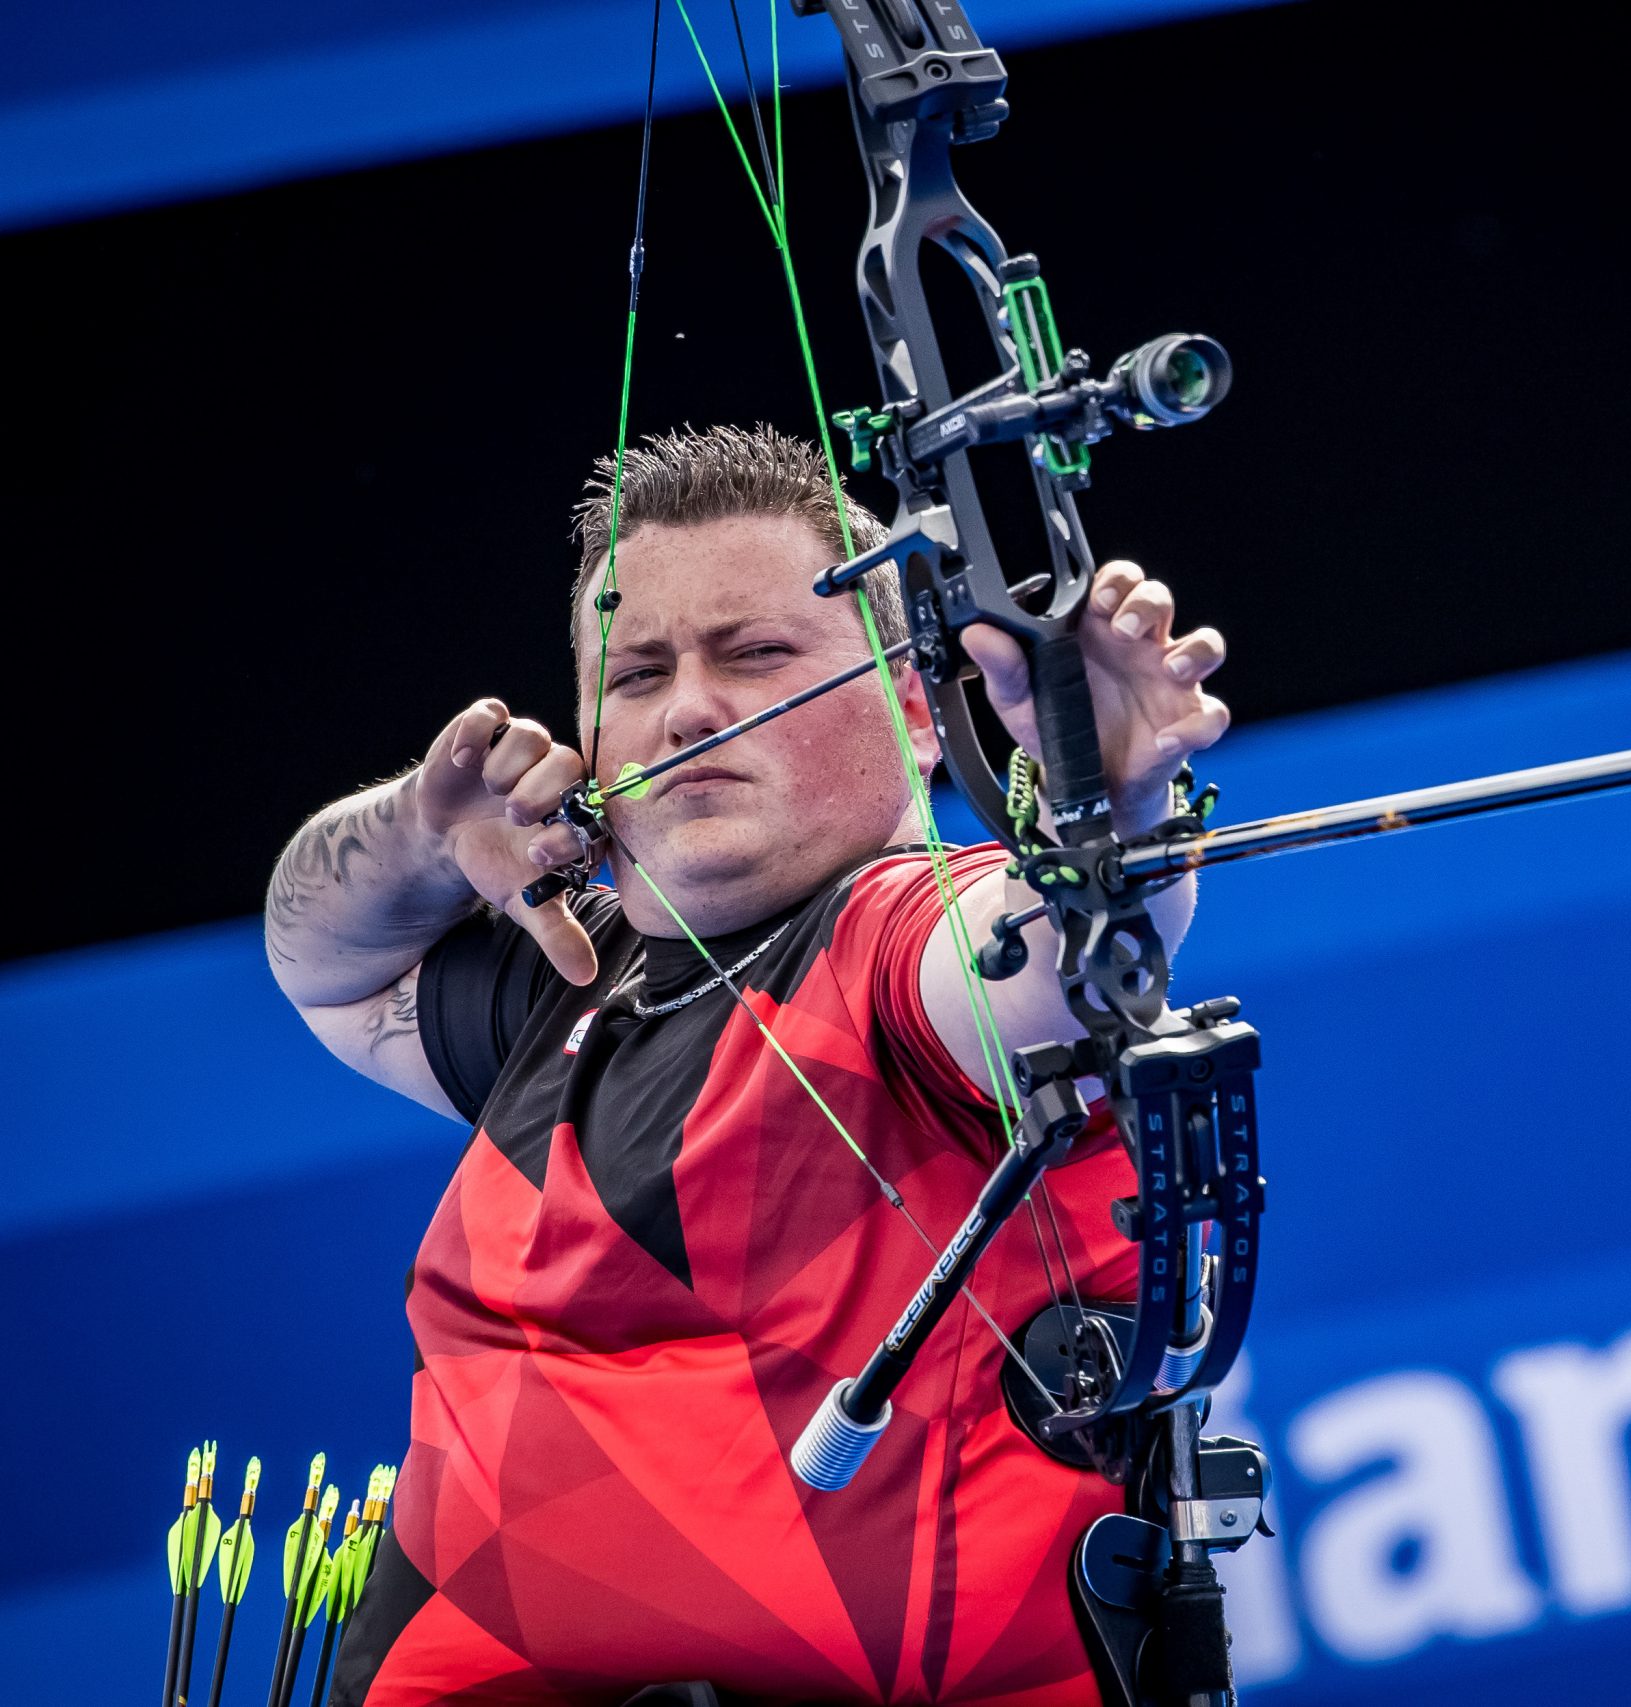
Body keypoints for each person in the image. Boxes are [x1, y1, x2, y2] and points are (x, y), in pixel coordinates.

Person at [263, 423, 1231, 1706]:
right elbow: (319, 961)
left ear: (914, 710)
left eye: (757, 653)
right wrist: (427, 829)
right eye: (639, 672)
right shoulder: (572, 971)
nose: (692, 708)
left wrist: (1104, 815)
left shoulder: (891, 950)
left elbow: (1049, 966)